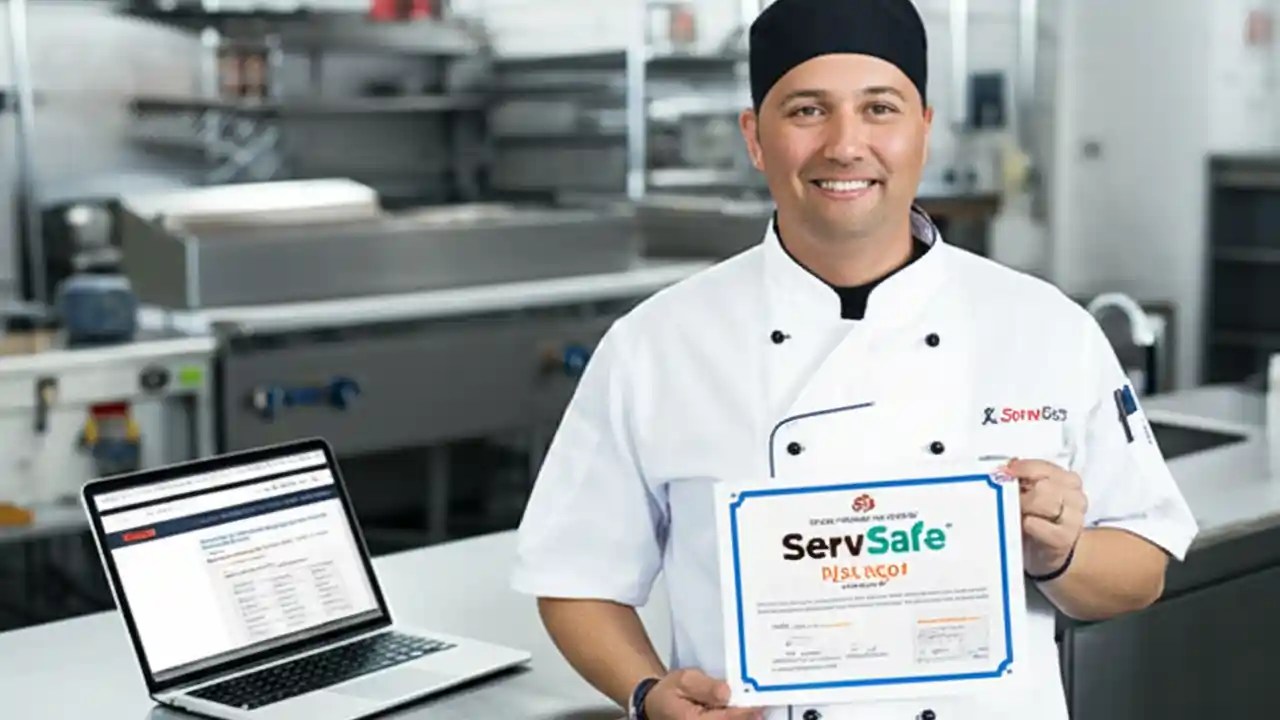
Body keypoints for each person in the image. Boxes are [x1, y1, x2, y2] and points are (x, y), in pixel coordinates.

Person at [510, 0, 1198, 717]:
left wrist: (1059, 555)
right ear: (754, 136)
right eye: (807, 110)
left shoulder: (1047, 327)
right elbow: (574, 575)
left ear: (923, 131)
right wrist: (648, 693)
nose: (845, 144)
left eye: (880, 109)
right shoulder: (656, 344)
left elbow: (1141, 567)